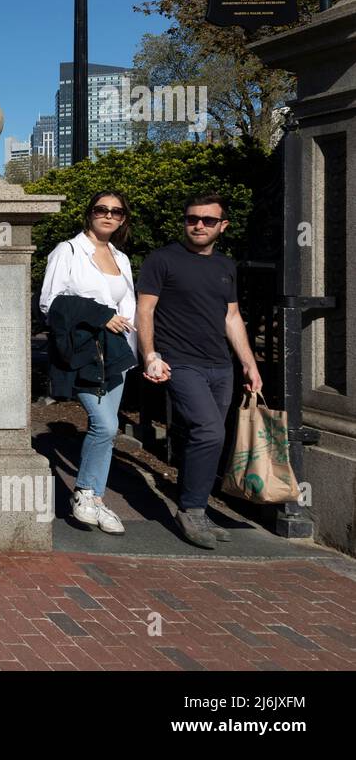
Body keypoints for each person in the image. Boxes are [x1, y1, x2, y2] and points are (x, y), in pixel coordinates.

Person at [137, 192, 261, 550]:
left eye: (208, 220)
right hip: (180, 362)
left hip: (220, 365)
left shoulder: (225, 267)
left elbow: (232, 317)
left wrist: (249, 365)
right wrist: (150, 356)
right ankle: (190, 510)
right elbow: (145, 311)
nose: (199, 225)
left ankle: (198, 506)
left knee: (207, 436)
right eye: (193, 219)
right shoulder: (163, 260)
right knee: (208, 432)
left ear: (223, 226)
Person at [39, 190, 138, 535]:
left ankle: (95, 499)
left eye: (116, 212)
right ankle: (83, 492)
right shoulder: (67, 251)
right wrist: (100, 315)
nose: (108, 216)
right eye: (101, 209)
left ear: (123, 219)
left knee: (105, 432)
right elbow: (50, 304)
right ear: (89, 213)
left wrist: (138, 350)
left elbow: (130, 307)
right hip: (84, 354)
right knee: (106, 425)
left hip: (117, 355)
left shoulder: (121, 258)